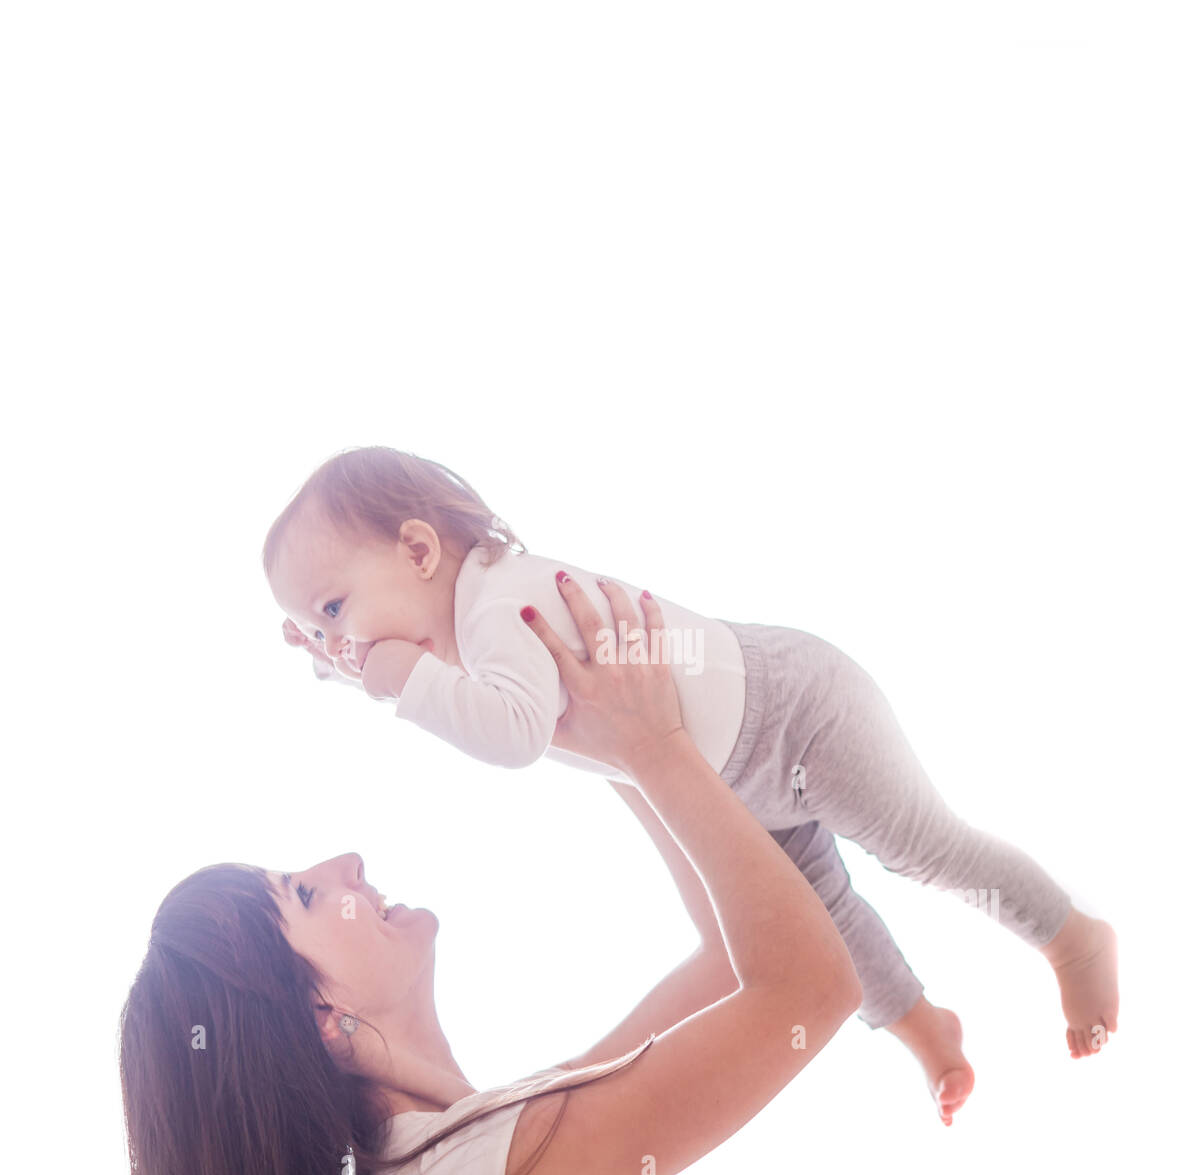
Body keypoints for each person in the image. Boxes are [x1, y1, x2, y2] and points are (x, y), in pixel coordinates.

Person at [264, 445, 1120, 1125]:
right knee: (824, 913)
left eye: (334, 612)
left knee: (925, 849)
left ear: (417, 549)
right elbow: (426, 673)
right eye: (316, 628)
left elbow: (514, 734)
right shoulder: (459, 631)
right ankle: (924, 1026)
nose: (341, 643)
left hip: (797, 714)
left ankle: (1071, 937)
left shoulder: (501, 608)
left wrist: (388, 679)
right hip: (723, 779)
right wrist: (345, 665)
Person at [119, 576, 864, 1175]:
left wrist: (575, 726)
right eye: (304, 895)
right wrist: (654, 744)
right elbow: (811, 989)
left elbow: (729, 968)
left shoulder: (468, 1162)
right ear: (322, 1022)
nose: (346, 863)